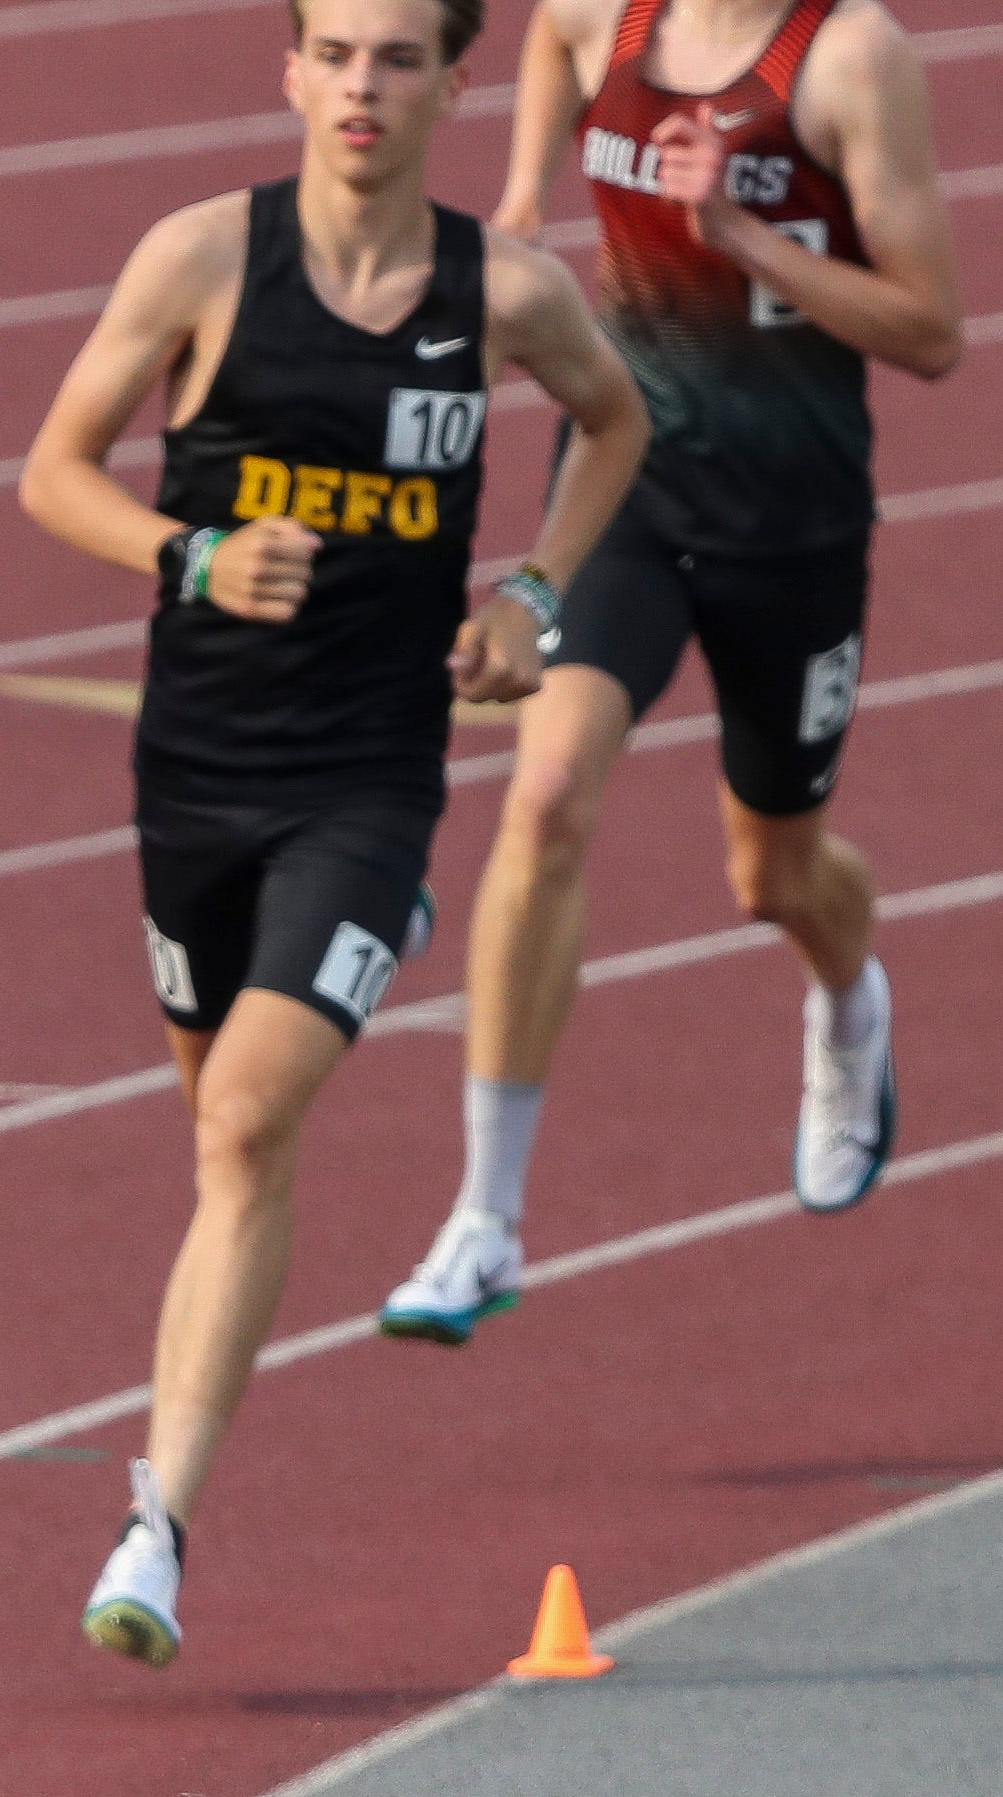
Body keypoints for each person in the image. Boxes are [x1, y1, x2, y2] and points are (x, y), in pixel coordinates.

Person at [18, 0, 648, 1665]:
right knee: (230, 1142)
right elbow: (53, 470)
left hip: (368, 784)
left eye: (396, 58)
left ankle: (154, 1520)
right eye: (335, 53)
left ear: (454, 83)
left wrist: (531, 590)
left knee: (241, 1116)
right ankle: (349, 975)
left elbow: (616, 417)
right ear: (289, 71)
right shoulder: (201, 263)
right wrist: (188, 557)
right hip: (193, 778)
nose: (361, 87)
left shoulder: (498, 292)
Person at [380, 0, 959, 1340]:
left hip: (791, 526)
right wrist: (523, 188)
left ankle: (845, 999)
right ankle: (483, 1218)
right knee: (540, 801)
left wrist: (740, 237)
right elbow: (543, 47)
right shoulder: (602, 12)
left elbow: (928, 329)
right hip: (627, 488)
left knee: (772, 875)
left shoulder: (845, 58)